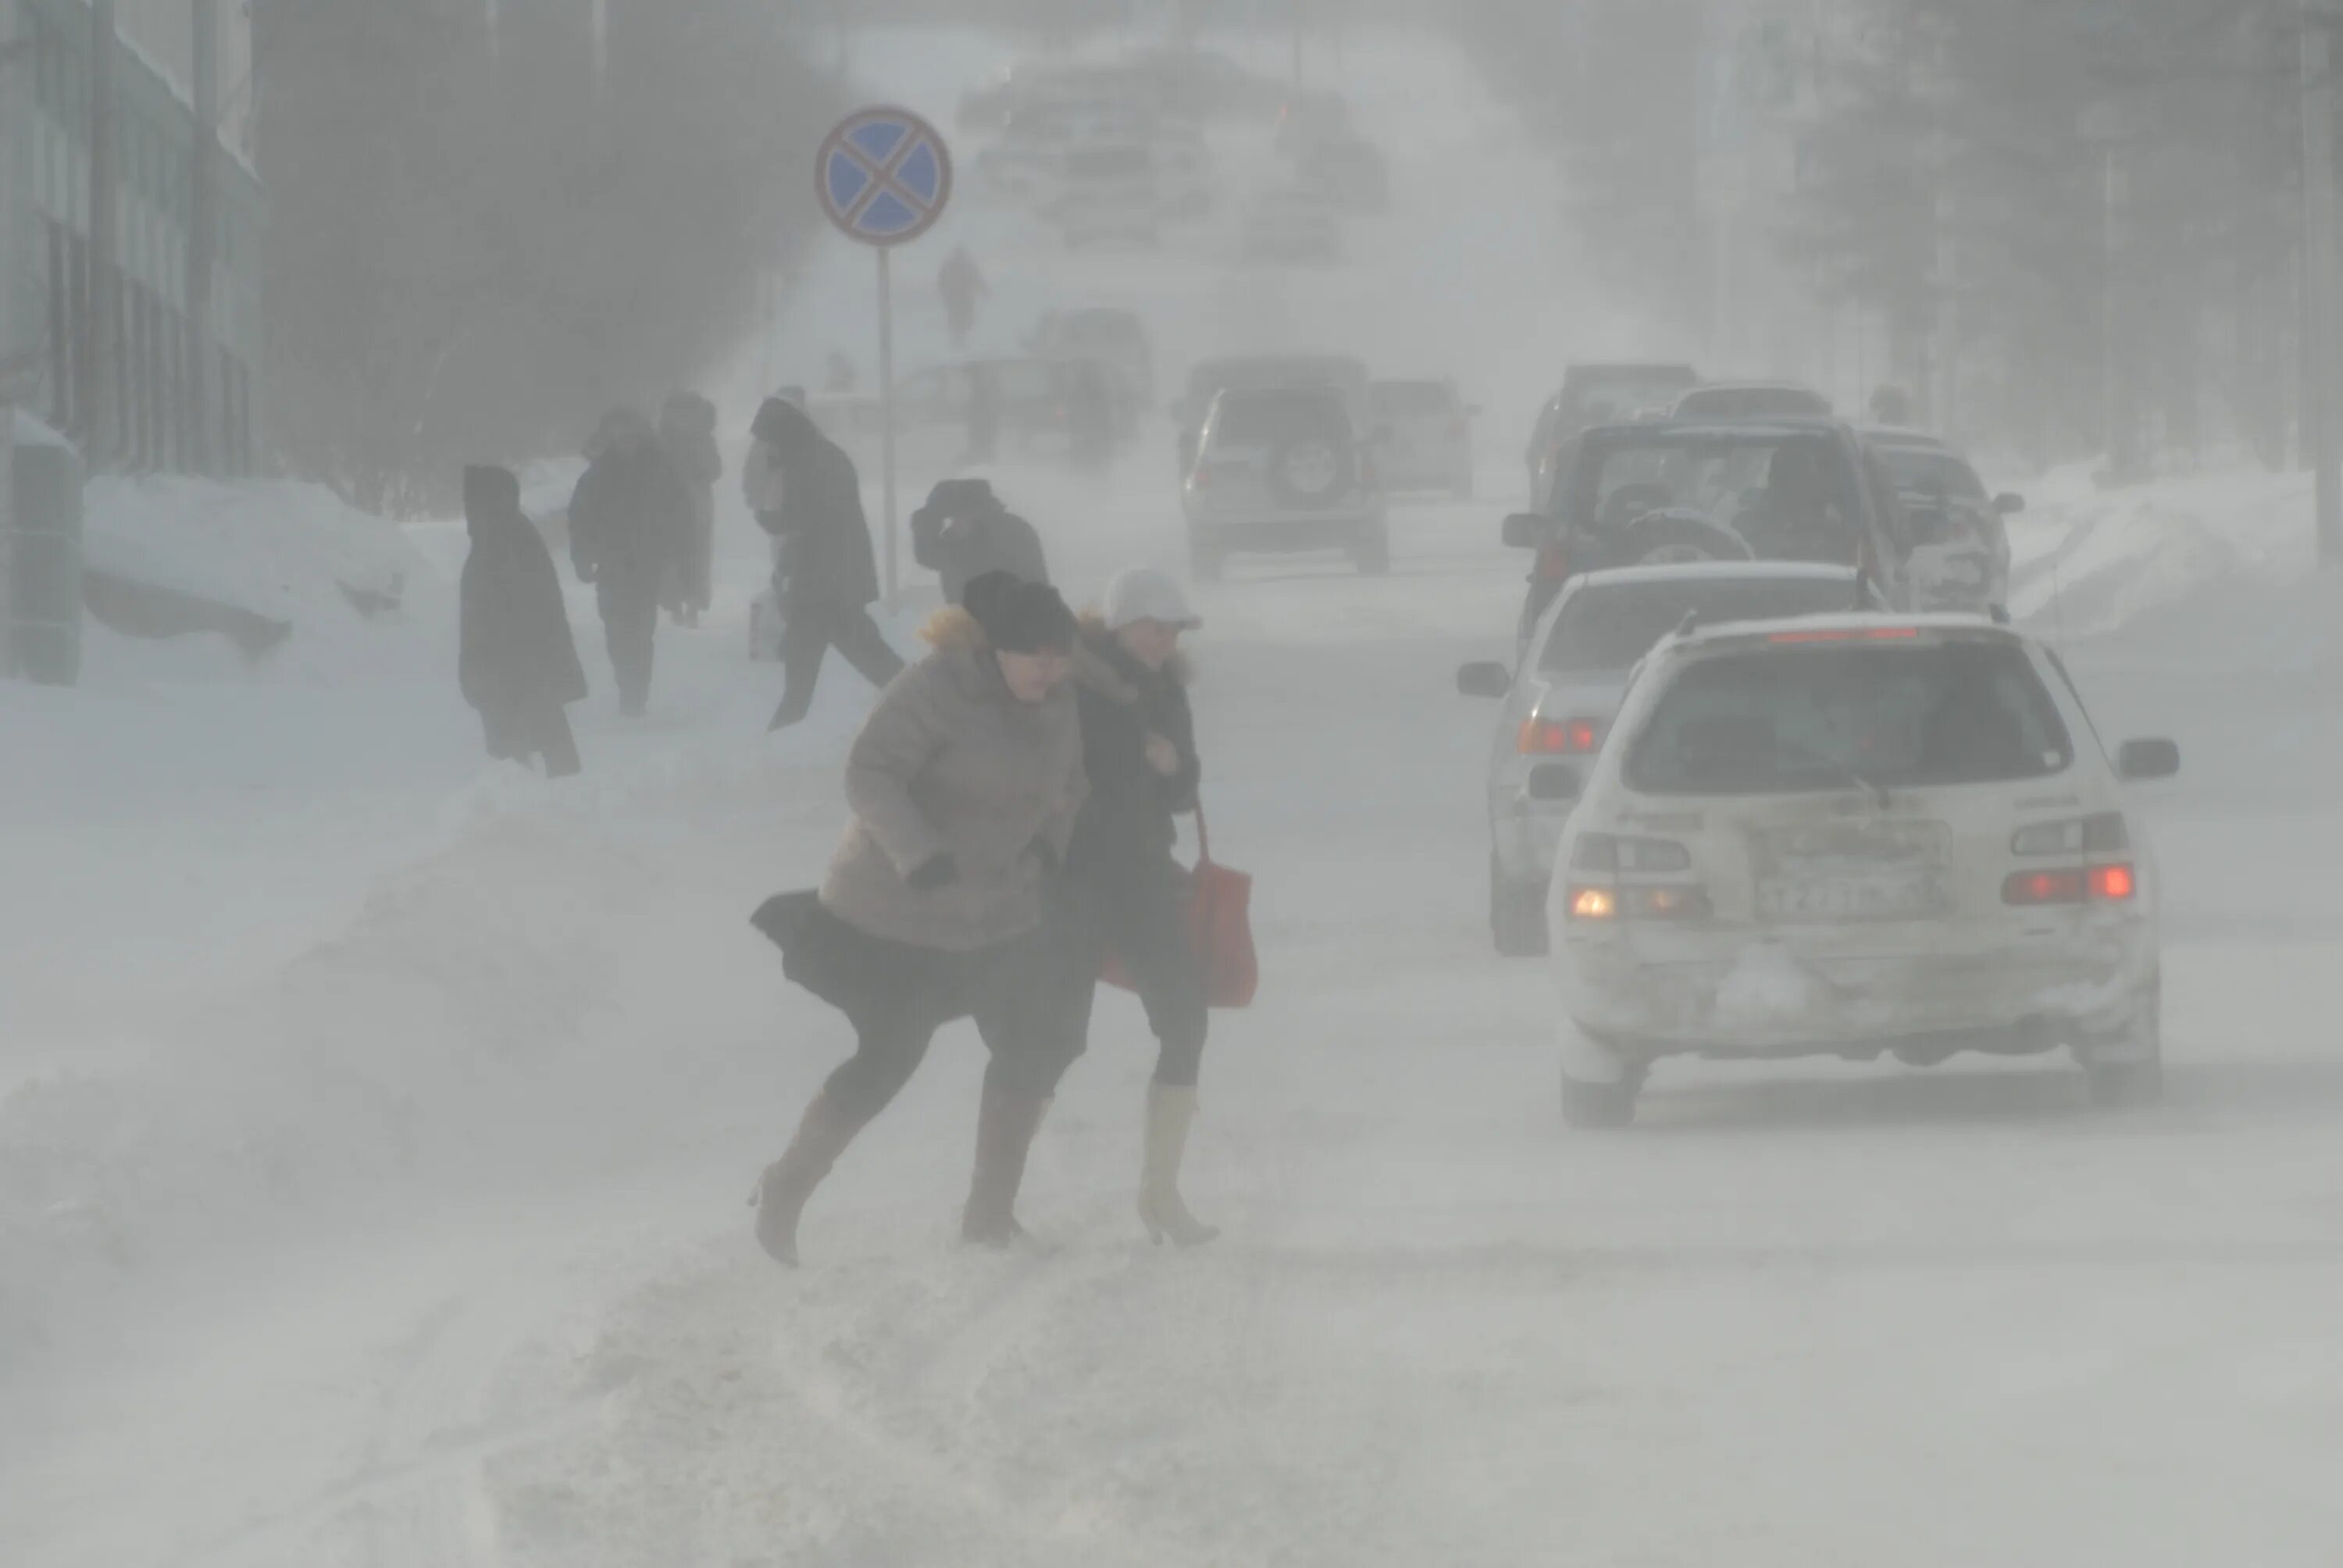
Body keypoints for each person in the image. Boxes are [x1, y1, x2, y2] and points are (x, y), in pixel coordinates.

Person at [749, 572, 1089, 1264]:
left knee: (1034, 1043)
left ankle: (990, 1215)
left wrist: (1049, 852)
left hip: (993, 910)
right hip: (892, 912)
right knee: (891, 1054)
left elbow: (1070, 784)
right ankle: (787, 1187)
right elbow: (869, 772)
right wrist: (918, 853)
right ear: (997, 649)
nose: (1048, 669)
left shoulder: (1060, 703)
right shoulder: (937, 689)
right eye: (1034, 654)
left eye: (1060, 655)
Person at [1057, 568, 1217, 1246]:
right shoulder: (1074, 682)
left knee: (1185, 1018)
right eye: (1157, 625)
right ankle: (991, 1204)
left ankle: (1160, 1195)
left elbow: (1183, 790)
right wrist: (1138, 753)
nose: (1166, 637)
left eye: (1174, 627)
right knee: (1049, 1037)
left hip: (1145, 876)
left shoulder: (1167, 689)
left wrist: (1170, 765)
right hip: (1073, 878)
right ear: (1120, 624)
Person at [752, 396, 907, 731]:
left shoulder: (811, 462)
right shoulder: (819, 456)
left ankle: (926, 706)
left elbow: (808, 517)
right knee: (856, 655)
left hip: (828, 579)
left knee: (860, 656)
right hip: (830, 578)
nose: (769, 447)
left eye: (771, 439)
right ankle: (922, 704)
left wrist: (771, 518)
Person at [458, 465, 586, 777]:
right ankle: (529, 795)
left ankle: (550, 796)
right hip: (504, 659)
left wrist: (496, 655)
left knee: (532, 727)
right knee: (522, 729)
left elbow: (525, 603)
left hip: (515, 658)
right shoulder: (499, 535)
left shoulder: (508, 539)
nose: (471, 506)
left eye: (476, 498)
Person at [568, 408, 693, 715]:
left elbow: (681, 515)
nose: (626, 441)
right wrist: (582, 558)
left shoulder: (661, 470)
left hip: (648, 563)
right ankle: (627, 683)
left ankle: (636, 692)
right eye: (620, 435)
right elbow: (580, 519)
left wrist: (677, 557)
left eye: (631, 434)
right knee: (615, 629)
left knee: (640, 629)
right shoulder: (597, 475)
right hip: (611, 564)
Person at [910, 477, 1048, 606]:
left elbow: (933, 556)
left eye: (958, 516)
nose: (954, 525)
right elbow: (928, 556)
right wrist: (930, 515)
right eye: (952, 518)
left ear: (976, 512)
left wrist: (931, 514)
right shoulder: (964, 538)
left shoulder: (1004, 534)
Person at [658, 392, 722, 628]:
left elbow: (715, 470)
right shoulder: (663, 440)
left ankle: (692, 605)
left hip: (695, 505)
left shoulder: (702, 439)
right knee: (673, 555)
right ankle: (676, 604)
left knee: (694, 555)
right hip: (672, 506)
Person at [940, 246, 989, 348]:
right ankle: (958, 340)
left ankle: (959, 340)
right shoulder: (964, 265)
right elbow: (976, 278)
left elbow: (976, 278)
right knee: (959, 318)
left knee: (959, 318)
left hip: (958, 297)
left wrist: (985, 290)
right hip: (960, 297)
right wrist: (985, 290)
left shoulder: (952, 265)